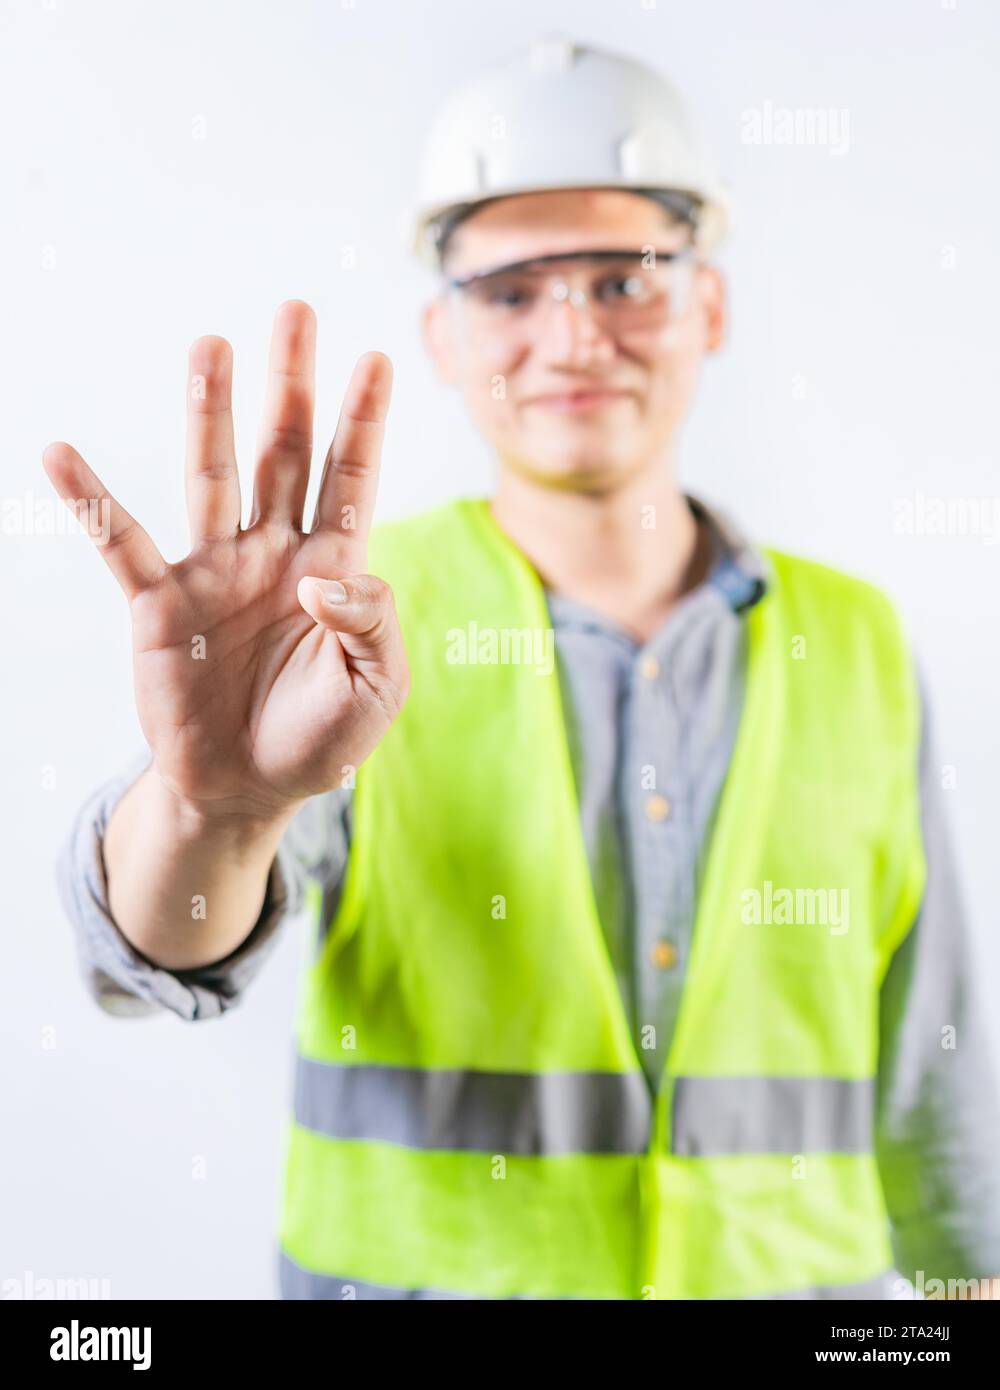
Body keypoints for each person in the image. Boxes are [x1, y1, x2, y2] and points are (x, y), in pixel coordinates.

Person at [47, 35, 1000, 1300]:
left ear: (711, 306)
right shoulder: (341, 629)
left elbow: (933, 1086)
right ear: (442, 336)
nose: (570, 335)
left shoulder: (861, 639)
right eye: (510, 291)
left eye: (626, 278)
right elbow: (155, 958)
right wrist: (219, 806)